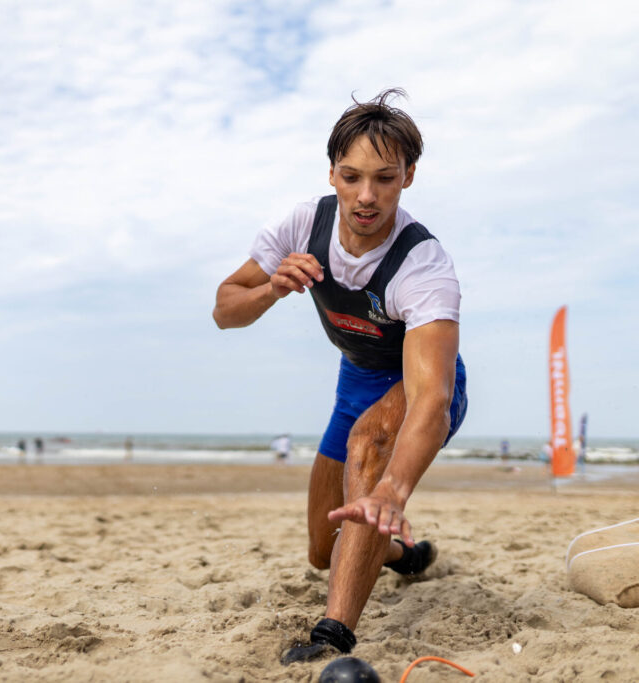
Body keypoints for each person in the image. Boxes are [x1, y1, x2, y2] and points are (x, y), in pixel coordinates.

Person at [212, 89, 468, 664]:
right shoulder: (305, 223)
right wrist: (271, 288)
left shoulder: (423, 265)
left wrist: (393, 490)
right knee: (322, 552)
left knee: (369, 444)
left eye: (385, 178)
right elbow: (225, 310)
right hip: (355, 382)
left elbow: (433, 397)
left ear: (408, 177)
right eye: (352, 177)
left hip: (418, 388)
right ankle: (403, 555)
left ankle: (332, 637)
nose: (366, 196)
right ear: (332, 173)